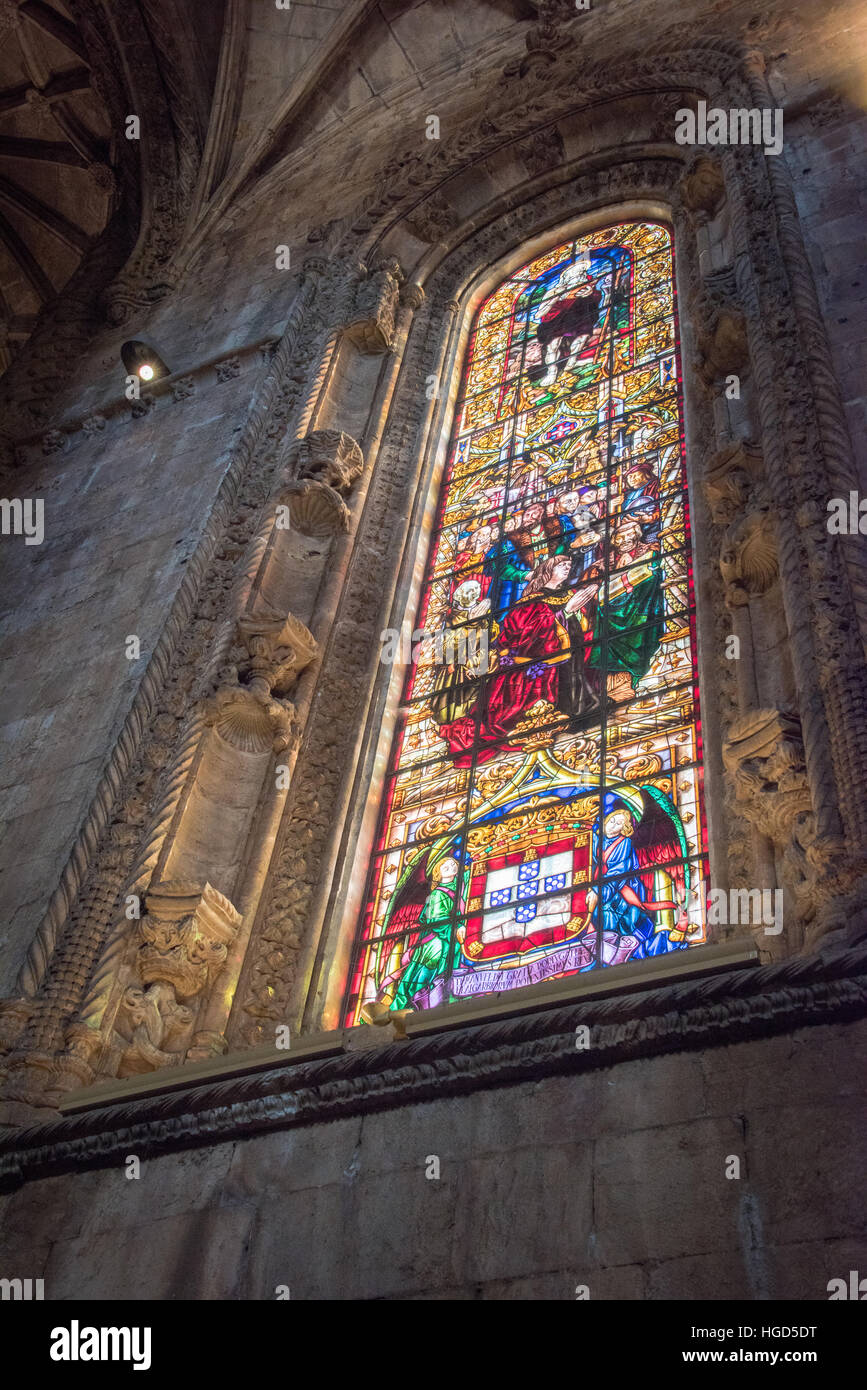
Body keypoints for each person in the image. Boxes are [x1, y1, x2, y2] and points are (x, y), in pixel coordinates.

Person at [585, 809, 686, 959]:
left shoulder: (624, 843)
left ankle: (620, 950)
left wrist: (598, 891)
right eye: (611, 821)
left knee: (617, 921)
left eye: (619, 823)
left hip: (622, 892)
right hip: (604, 889)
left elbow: (618, 872)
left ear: (624, 828)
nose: (612, 826)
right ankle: (599, 949)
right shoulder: (599, 841)